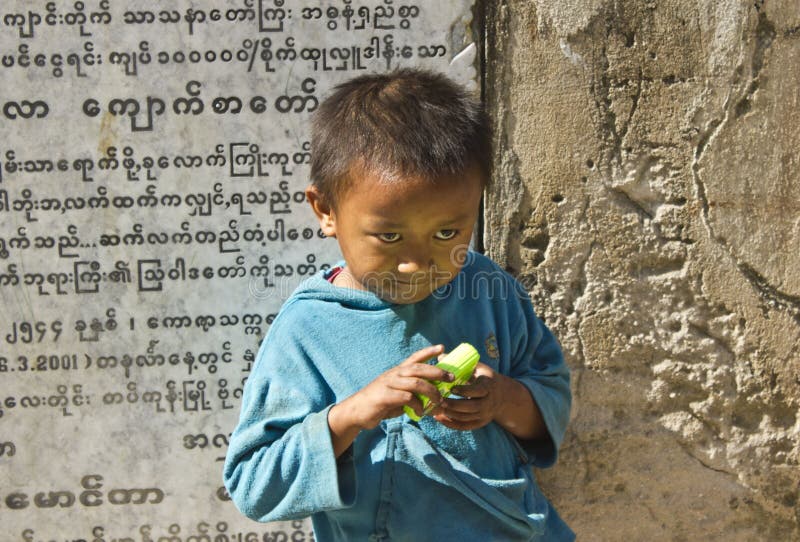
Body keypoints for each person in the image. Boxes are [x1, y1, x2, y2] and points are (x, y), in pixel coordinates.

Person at [223, 68, 574, 541]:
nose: (417, 264)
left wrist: (504, 399)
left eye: (447, 233)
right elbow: (254, 482)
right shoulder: (309, 329)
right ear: (325, 211)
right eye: (389, 236)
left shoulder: (490, 291)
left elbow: (550, 399)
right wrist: (355, 413)